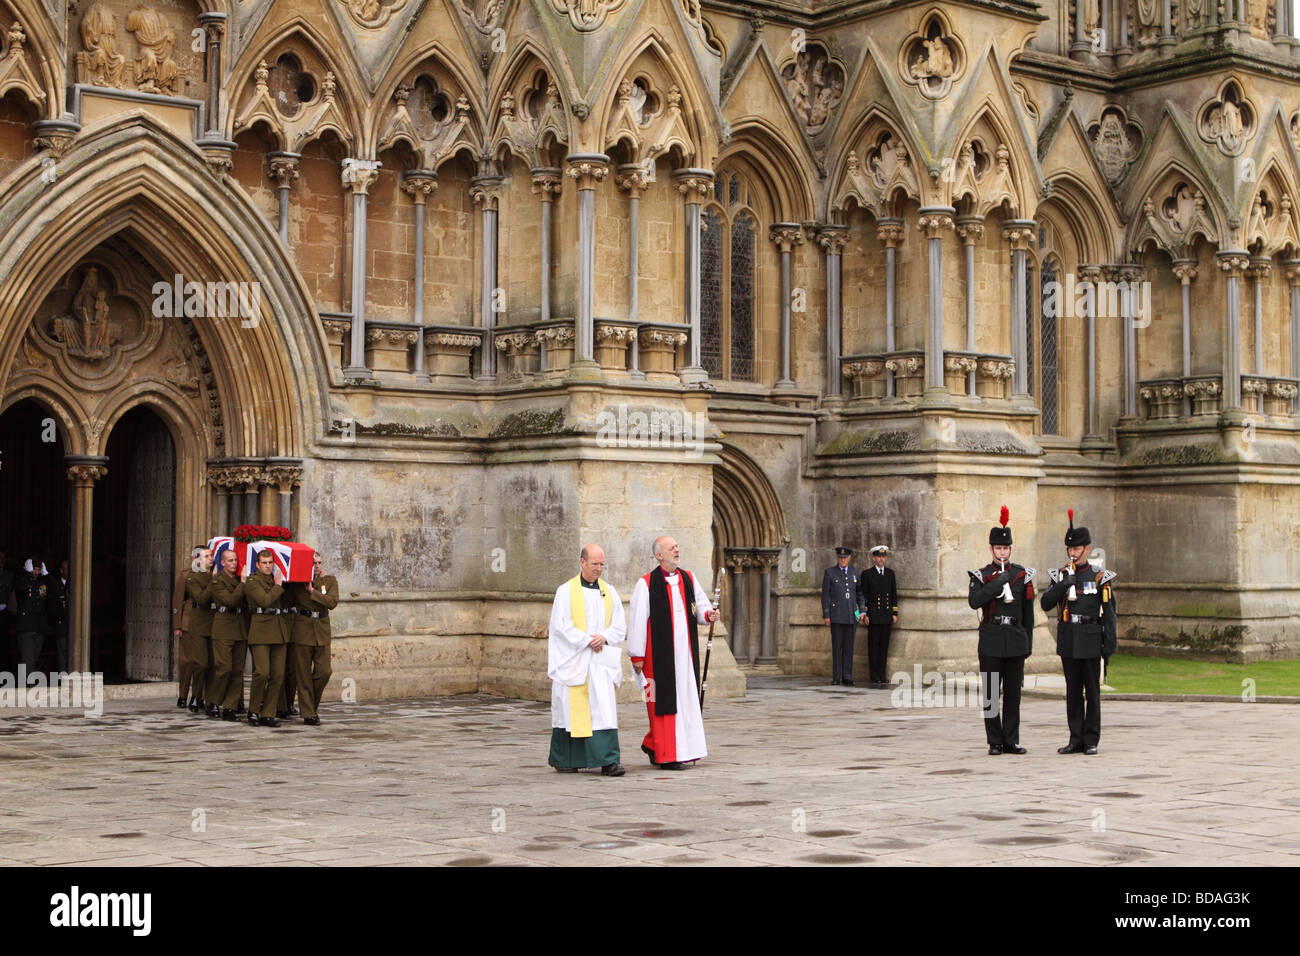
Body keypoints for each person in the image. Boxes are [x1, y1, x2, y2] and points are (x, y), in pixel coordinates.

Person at [627, 535, 718, 770]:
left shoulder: (688, 578)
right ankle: (666, 754)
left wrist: (709, 615)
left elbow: (701, 607)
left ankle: (670, 747)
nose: (677, 550)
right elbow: (638, 621)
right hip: (658, 658)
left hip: (685, 657)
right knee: (660, 703)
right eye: (671, 548)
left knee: (685, 702)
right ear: (659, 555)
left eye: (677, 546)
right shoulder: (646, 584)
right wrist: (637, 655)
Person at [1040, 510, 1117, 755]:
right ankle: (1075, 738)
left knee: (1092, 692)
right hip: (1070, 639)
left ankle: (1091, 740)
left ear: (1087, 549)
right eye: (1070, 549)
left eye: (1077, 549)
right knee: (1073, 692)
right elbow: (1045, 603)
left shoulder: (1099, 576)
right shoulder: (1061, 574)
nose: (1073, 553)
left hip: (1091, 638)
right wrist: (1064, 583)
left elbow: (1110, 613)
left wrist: (1109, 644)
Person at [546, 543, 627, 776]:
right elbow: (560, 626)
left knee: (603, 710)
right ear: (582, 562)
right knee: (571, 711)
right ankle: (567, 759)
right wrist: (586, 640)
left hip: (599, 663)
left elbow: (619, 625)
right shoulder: (565, 591)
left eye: (602, 564)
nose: (599, 569)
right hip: (575, 659)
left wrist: (604, 637)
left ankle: (609, 761)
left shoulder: (609, 591)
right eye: (594, 564)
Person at [967, 507, 1034, 756]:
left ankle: (1011, 740)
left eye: (1005, 548)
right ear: (991, 549)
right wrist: (996, 584)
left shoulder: (1021, 575)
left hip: (1015, 638)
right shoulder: (982, 575)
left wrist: (1028, 644)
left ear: (1010, 549)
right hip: (992, 640)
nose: (1002, 552)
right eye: (998, 548)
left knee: (1013, 695)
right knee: (991, 694)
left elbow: (1028, 613)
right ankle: (994, 741)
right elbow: (974, 601)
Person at [286, 552, 338, 726]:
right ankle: (309, 713)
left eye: (319, 562)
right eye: (314, 563)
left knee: (324, 671)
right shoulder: (297, 584)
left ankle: (309, 706)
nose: (317, 566)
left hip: (322, 630)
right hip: (303, 630)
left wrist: (312, 591)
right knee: (303, 674)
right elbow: (287, 601)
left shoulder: (329, 581)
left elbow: (332, 602)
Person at [243, 549, 288, 727]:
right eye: (264, 563)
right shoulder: (252, 581)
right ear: (257, 564)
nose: (268, 566)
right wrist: (278, 586)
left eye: (270, 563)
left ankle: (268, 713)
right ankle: (254, 710)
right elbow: (264, 600)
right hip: (261, 630)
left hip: (278, 630)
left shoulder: (275, 579)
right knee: (262, 672)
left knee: (278, 675)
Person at [207, 548, 246, 721]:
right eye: (230, 560)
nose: (234, 563)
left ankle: (230, 707)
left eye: (235, 560)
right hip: (223, 627)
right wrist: (243, 584)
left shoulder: (238, 580)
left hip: (239, 628)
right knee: (224, 668)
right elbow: (229, 600)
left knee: (237, 671)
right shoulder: (217, 581)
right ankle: (213, 701)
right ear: (222, 563)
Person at [173, 546, 213, 713]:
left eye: (211, 555)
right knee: (187, 661)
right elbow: (177, 601)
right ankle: (183, 695)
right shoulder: (187, 575)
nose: (210, 559)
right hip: (189, 622)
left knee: (203, 662)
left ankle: (200, 696)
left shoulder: (213, 575)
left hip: (208, 621)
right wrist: (177, 625)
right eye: (206, 556)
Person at [821, 546, 864, 685]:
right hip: (836, 616)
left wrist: (862, 610)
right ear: (837, 558)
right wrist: (826, 615)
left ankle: (847, 676)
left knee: (849, 648)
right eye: (840, 557)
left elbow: (859, 593)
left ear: (849, 558)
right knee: (837, 647)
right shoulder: (830, 573)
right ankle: (836, 676)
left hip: (851, 616)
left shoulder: (854, 572)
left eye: (845, 558)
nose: (843, 560)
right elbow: (825, 596)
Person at [862, 545, 899, 687]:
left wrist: (894, 612)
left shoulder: (890, 573)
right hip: (873, 616)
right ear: (873, 558)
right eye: (878, 557)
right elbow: (864, 596)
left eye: (883, 556)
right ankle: (874, 675)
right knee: (873, 647)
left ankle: (882, 675)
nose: (881, 559)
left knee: (884, 647)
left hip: (886, 615)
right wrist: (865, 614)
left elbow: (893, 594)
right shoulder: (867, 574)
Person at [12, 555, 48, 679]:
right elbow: (21, 587)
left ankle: (25, 683)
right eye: (34, 569)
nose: (36, 572)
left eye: (38, 569)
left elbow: (45, 599)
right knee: (27, 659)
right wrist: (27, 574)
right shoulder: (21, 579)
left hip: (39, 627)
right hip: (26, 627)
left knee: (33, 659)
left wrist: (47, 575)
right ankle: (25, 685)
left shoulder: (41, 584)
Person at [44, 559, 71, 673]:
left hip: (75, 628)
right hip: (62, 626)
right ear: (61, 570)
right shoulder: (55, 586)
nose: (69, 571)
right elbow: (51, 608)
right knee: (63, 656)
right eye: (67, 568)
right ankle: (64, 679)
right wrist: (66, 612)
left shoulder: (75, 585)